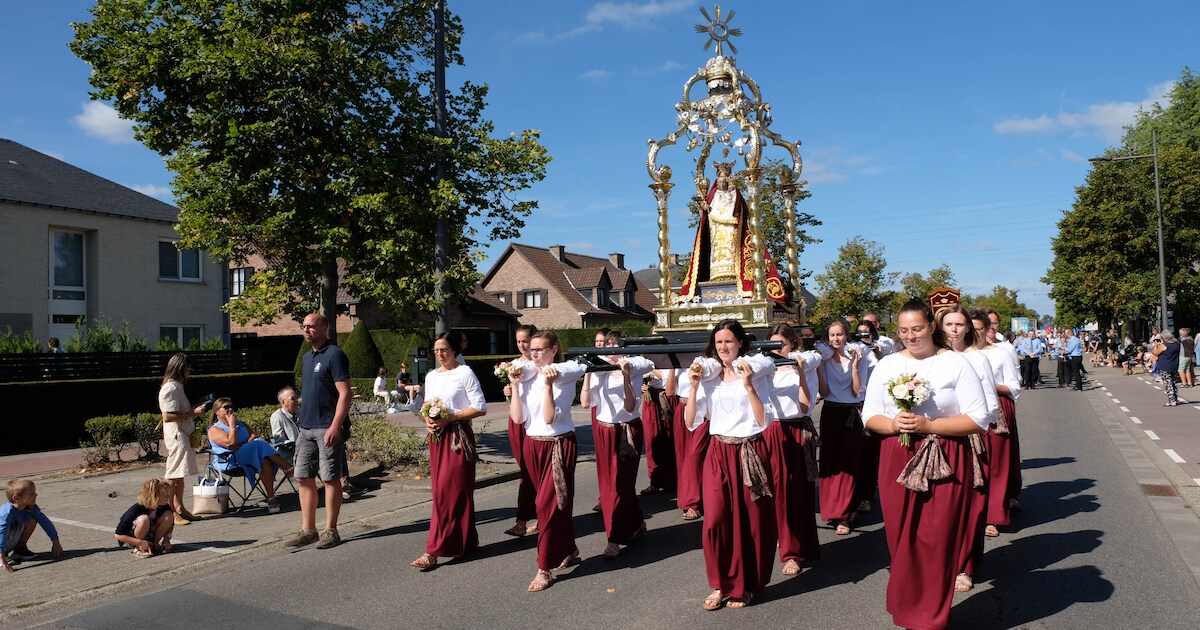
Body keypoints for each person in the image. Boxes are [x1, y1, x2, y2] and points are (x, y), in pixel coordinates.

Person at [862, 299, 991, 630]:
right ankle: (908, 609)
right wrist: (894, 425)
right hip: (898, 456)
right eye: (904, 331)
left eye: (917, 329)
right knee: (901, 538)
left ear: (932, 326)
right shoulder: (888, 365)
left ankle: (931, 617)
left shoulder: (957, 364)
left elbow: (979, 417)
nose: (911, 336)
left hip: (945, 455)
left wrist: (928, 426)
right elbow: (870, 413)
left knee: (936, 538)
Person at [685, 319, 776, 610]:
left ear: (740, 343)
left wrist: (749, 386)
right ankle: (720, 584)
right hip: (718, 451)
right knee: (714, 521)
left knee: (753, 522)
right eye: (719, 342)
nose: (724, 347)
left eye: (729, 341)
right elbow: (690, 421)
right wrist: (694, 386)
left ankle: (748, 584)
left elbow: (763, 420)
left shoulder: (755, 371)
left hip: (749, 449)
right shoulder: (708, 376)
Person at [507, 331, 587, 592]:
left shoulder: (561, 375)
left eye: (540, 349)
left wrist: (549, 385)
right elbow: (519, 419)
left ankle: (544, 568)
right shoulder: (529, 376)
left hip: (557, 444)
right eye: (532, 349)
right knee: (555, 505)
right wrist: (516, 386)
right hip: (533, 444)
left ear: (553, 349)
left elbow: (550, 417)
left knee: (546, 505)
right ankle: (570, 549)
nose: (535, 354)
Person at [411, 332, 486, 570]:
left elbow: (480, 406)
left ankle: (433, 550)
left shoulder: (465, 373)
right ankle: (467, 541)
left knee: (450, 492)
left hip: (458, 438)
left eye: (444, 350)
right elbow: (427, 404)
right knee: (444, 491)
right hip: (437, 438)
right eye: (436, 351)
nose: (440, 355)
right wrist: (428, 421)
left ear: (454, 350)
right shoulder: (432, 376)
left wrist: (450, 418)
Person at [938, 306, 999, 593]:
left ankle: (964, 565)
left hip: (969, 437)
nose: (953, 330)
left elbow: (989, 404)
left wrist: (967, 424)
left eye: (959, 324)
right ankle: (939, 561)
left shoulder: (977, 358)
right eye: (947, 324)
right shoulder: (932, 358)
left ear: (967, 329)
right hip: (932, 438)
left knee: (970, 505)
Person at [581, 331, 654, 559]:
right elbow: (585, 403)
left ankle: (613, 539)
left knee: (621, 484)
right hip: (604, 431)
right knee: (609, 485)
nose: (611, 350)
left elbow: (631, 406)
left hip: (627, 430)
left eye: (615, 345)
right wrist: (587, 373)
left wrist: (624, 375)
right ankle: (635, 522)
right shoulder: (600, 369)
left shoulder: (633, 366)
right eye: (607, 345)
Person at [284, 313, 351, 550]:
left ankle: (331, 531)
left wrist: (335, 425)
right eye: (304, 326)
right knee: (302, 476)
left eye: (311, 326)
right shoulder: (306, 357)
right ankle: (308, 530)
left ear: (324, 327)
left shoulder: (335, 355)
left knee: (330, 478)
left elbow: (345, 393)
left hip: (326, 426)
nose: (307, 330)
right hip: (306, 427)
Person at [764, 323, 819, 576]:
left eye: (782, 345)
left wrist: (798, 372)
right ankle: (776, 536)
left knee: (792, 492)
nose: (777, 351)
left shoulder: (803, 366)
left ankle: (794, 551)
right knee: (769, 491)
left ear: (793, 345)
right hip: (767, 431)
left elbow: (806, 406)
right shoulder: (763, 368)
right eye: (772, 346)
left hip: (794, 430)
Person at [970, 310, 1024, 536]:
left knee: (995, 463)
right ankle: (972, 512)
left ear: (988, 330)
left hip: (997, 408)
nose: (973, 334)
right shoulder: (957, 355)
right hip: (968, 409)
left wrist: (988, 384)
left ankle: (993, 515)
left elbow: (1014, 386)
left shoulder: (1001, 353)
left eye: (978, 330)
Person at [818, 318, 870, 535]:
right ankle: (831, 510)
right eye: (832, 335)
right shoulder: (825, 358)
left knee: (849, 464)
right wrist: (820, 367)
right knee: (830, 463)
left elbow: (857, 392)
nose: (836, 339)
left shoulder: (858, 356)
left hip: (850, 412)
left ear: (846, 335)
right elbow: (825, 392)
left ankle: (846, 515)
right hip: (831, 411)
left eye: (839, 334)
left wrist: (855, 368)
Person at [208, 397, 294, 513]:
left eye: (231, 406)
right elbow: (230, 443)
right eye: (226, 407)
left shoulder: (241, 423)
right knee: (259, 445)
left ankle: (271, 497)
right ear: (216, 411)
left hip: (250, 454)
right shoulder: (214, 429)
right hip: (231, 459)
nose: (230, 409)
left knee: (264, 459)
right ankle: (287, 467)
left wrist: (242, 445)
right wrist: (232, 427)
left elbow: (254, 435)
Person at [157, 352, 207, 525]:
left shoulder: (176, 386)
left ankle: (179, 508)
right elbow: (168, 416)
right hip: (177, 436)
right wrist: (193, 413)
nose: (190, 371)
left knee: (180, 474)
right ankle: (169, 510)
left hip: (182, 435)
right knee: (173, 474)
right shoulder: (170, 388)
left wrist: (191, 411)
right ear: (180, 368)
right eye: (188, 368)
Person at [503, 324, 539, 538]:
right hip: (516, 421)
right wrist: (508, 391)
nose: (522, 345)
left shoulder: (540, 364)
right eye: (518, 341)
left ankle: (525, 520)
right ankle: (528, 518)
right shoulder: (514, 364)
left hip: (534, 421)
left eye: (525, 340)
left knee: (531, 471)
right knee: (525, 470)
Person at [1, 479, 63, 571]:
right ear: (16, 498)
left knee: (32, 520)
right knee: (5, 527)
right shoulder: (6, 513)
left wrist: (55, 541)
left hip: (7, 543)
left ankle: (20, 550)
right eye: (31, 493)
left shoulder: (31, 507)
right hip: (1, 542)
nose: (36, 495)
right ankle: (2, 555)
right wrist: (1, 556)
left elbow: (45, 522)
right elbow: (1, 533)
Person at [114, 479, 174, 558]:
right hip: (134, 538)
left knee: (169, 515)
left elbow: (171, 523)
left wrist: (167, 539)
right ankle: (139, 548)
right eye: (165, 495)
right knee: (144, 519)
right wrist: (139, 542)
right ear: (155, 496)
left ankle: (153, 544)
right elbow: (118, 535)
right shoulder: (136, 510)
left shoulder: (164, 506)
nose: (168, 496)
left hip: (151, 533)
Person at [269, 386, 301, 463]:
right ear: (283, 402)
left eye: (297, 398)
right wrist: (294, 445)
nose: (297, 401)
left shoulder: (299, 413)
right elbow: (279, 439)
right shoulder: (277, 416)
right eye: (293, 399)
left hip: (304, 449)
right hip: (289, 453)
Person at [1151, 331, 1183, 406]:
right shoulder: (1177, 344)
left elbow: (1155, 353)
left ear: (1164, 338)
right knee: (1174, 383)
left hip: (1165, 366)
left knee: (1168, 384)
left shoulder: (1164, 345)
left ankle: (1172, 400)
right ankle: (1175, 398)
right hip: (1174, 365)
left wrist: (1156, 346)